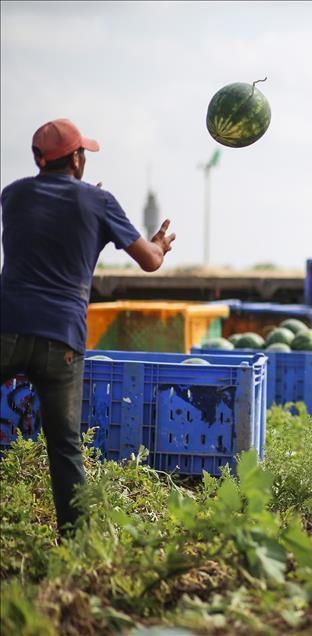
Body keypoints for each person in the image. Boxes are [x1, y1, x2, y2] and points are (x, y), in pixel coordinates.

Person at [0, 119, 176, 536]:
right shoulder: (99, 204)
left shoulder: (12, 195)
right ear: (77, 158)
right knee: (64, 447)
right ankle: (76, 544)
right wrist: (160, 244)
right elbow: (149, 260)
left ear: (39, 159)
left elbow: (47, 229)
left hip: (7, 328)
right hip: (61, 339)